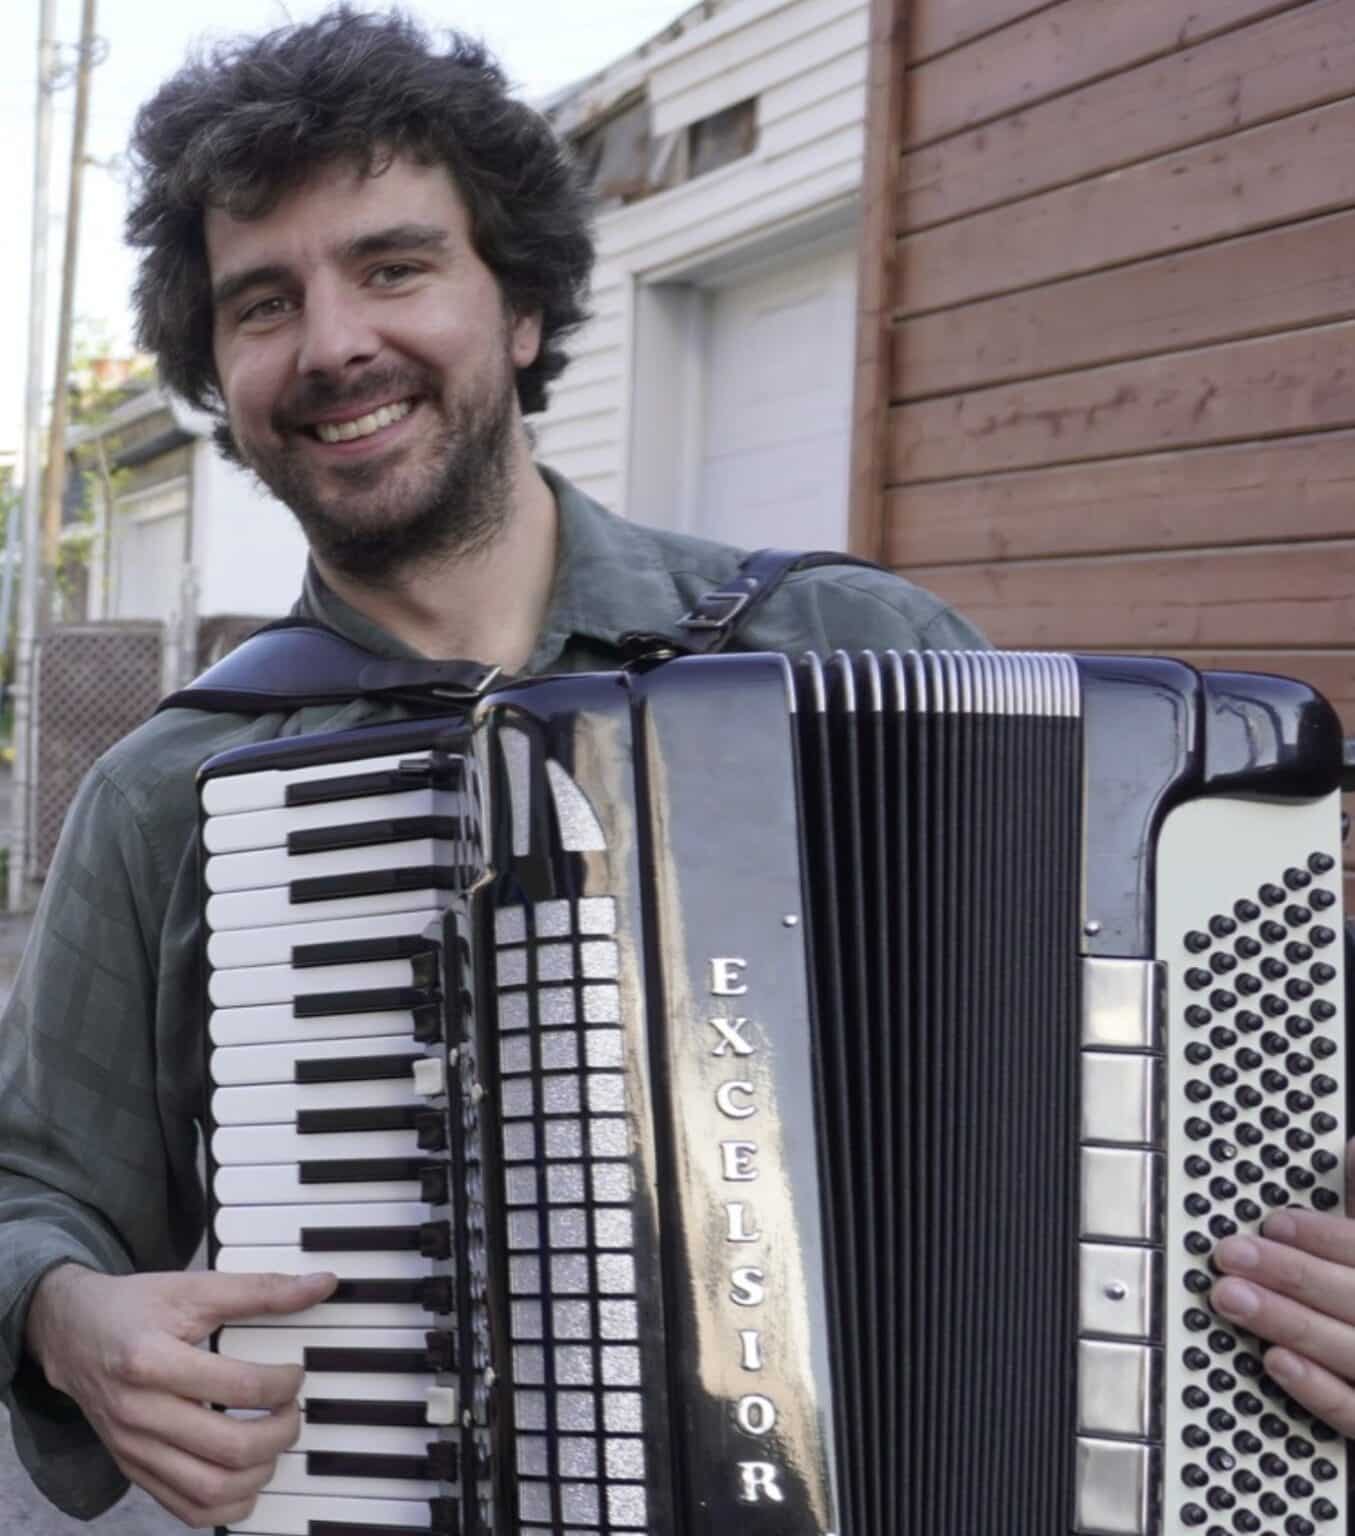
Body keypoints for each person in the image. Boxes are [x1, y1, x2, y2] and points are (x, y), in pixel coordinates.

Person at [0, 7, 996, 1528]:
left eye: (395, 267)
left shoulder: (850, 644)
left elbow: (1162, 1065)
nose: (335, 343)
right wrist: (63, 1315)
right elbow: (31, 1186)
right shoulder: (172, 791)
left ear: (519, 308)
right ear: (223, 382)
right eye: (263, 302)